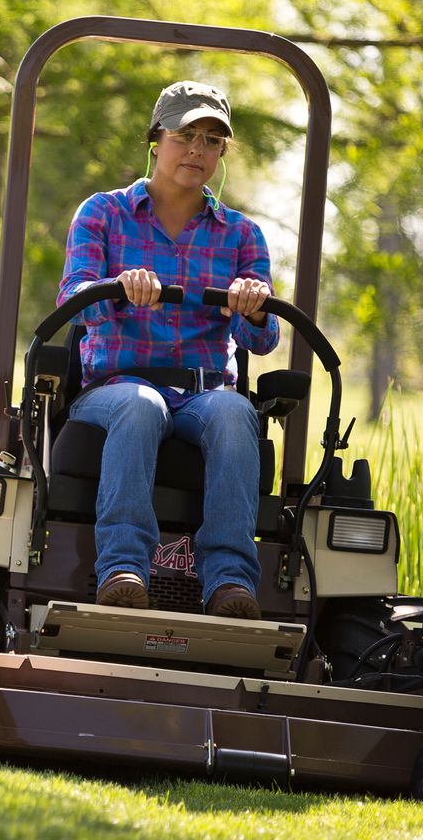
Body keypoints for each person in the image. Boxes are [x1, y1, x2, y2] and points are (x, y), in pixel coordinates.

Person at [56, 80, 280, 620]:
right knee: (141, 405)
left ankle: (229, 582)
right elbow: (73, 300)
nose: (197, 150)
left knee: (235, 413)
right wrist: (115, 288)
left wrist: (253, 308)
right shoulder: (103, 213)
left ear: (221, 153)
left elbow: (263, 338)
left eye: (211, 140)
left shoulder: (242, 235)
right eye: (185, 135)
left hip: (203, 393)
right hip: (116, 386)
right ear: (156, 140)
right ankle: (122, 570)